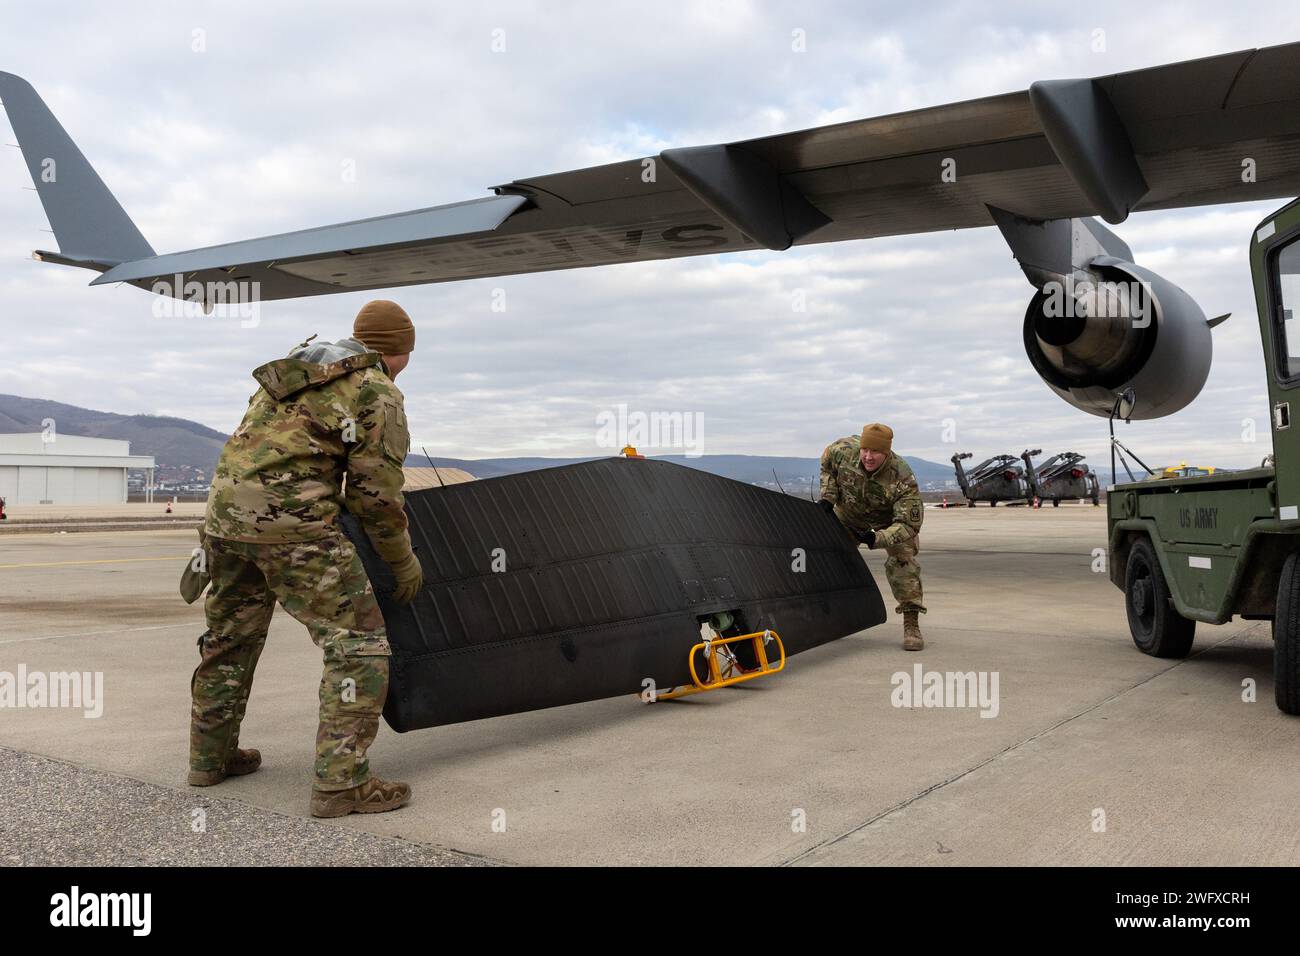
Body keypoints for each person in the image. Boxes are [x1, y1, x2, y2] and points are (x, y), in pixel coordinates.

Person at [187, 299, 423, 818]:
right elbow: (374, 496)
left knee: (229, 639)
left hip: (224, 525)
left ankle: (210, 757)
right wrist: (402, 561)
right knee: (357, 644)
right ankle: (342, 785)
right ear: (401, 350)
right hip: (295, 530)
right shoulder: (376, 389)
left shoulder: (295, 370)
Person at [819, 423, 926, 650]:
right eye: (865, 450)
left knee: (902, 561)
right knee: (827, 557)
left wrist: (876, 538)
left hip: (888, 524)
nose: (868, 456)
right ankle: (830, 615)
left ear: (886, 453)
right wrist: (828, 496)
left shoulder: (903, 477)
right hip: (848, 515)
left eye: (875, 452)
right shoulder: (842, 450)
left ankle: (911, 623)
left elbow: (908, 524)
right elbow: (826, 466)